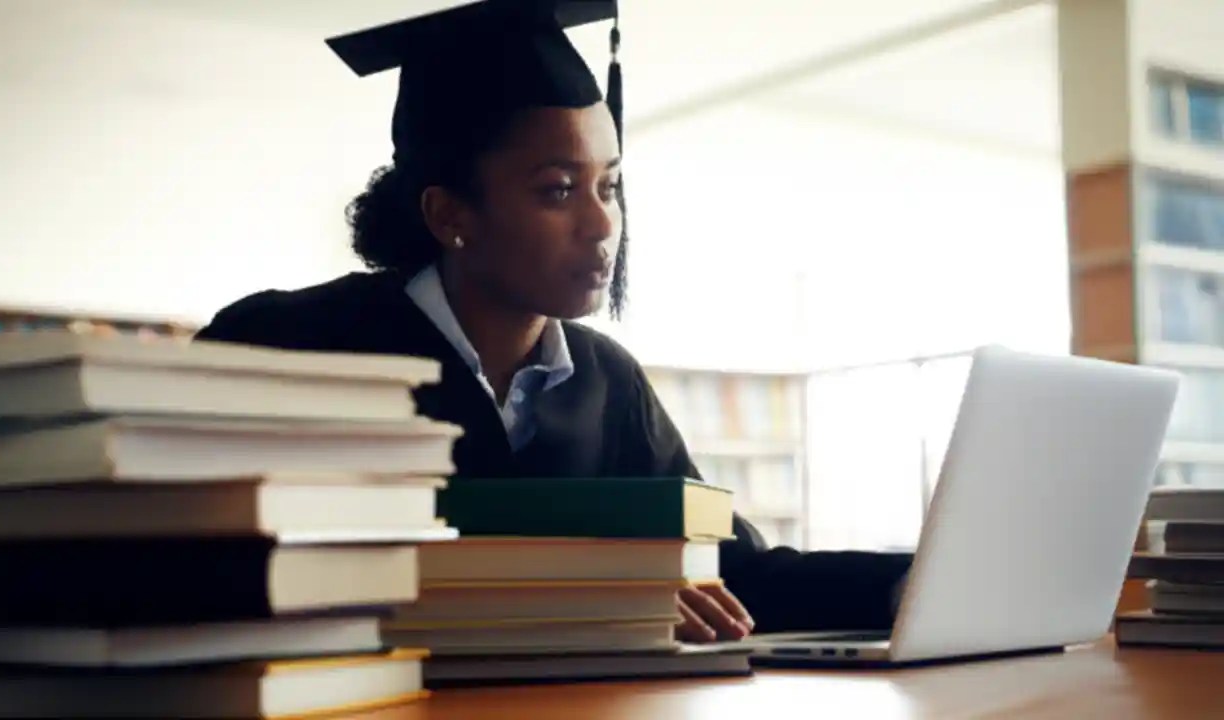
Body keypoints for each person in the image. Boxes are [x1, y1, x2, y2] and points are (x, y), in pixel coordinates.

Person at [198, 0, 911, 642]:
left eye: (610, 185)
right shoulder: (286, 347)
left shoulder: (607, 382)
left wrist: (906, 584)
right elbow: (191, 566)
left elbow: (729, 570)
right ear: (449, 214)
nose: (603, 224)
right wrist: (593, 596)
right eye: (559, 191)